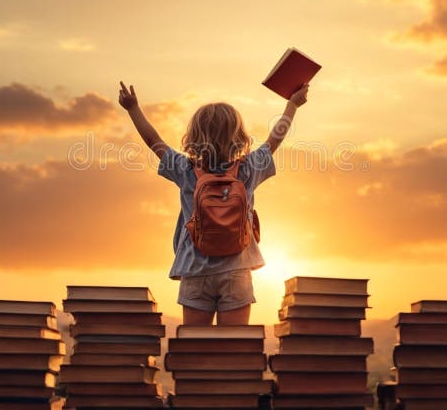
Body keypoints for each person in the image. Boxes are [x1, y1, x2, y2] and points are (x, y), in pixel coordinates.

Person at [118, 80, 309, 325]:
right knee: (234, 350)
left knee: (197, 351)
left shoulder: (184, 169)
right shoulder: (248, 169)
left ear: (194, 136)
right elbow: (274, 140)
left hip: (195, 270)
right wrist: (292, 105)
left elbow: (154, 141)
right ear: (238, 136)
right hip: (237, 269)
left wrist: (133, 108)